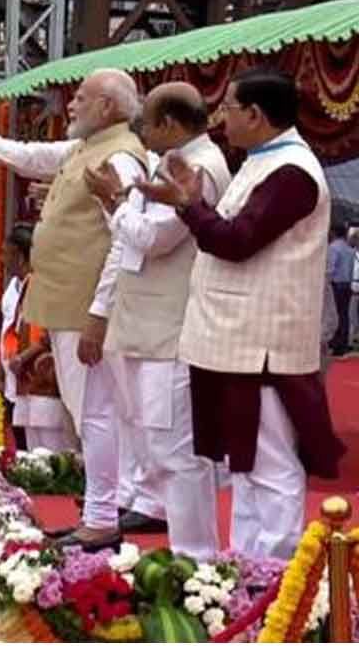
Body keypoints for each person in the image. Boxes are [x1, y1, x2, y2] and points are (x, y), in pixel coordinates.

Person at [0, 68, 148, 551]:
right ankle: (100, 511)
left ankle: (104, 517)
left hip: (86, 307)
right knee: (89, 415)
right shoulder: (85, 150)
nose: (70, 105)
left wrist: (100, 311)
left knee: (97, 415)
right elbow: (21, 156)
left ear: (107, 107)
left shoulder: (121, 158)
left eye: (80, 97)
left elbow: (125, 244)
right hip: (69, 303)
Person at [137, 68, 346, 559]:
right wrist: (193, 204)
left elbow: (236, 241)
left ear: (255, 115)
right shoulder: (262, 161)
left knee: (271, 465)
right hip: (238, 339)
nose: (220, 117)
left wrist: (190, 206)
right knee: (246, 463)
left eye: (228, 107)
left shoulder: (292, 172)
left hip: (263, 342)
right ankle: (250, 565)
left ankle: (276, 575)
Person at [83, 81, 231, 559]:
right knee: (158, 447)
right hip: (148, 326)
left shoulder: (201, 168)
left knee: (176, 453)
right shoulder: (167, 164)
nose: (139, 130)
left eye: (146, 121)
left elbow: (154, 239)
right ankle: (190, 554)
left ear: (169, 124)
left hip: (174, 331)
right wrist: (117, 206)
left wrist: (117, 202)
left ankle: (197, 560)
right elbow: (133, 239)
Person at [2, 223, 79, 452]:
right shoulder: (27, 284)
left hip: (43, 378)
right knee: (32, 450)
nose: (2, 260)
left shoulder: (44, 283)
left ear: (20, 256)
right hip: (26, 380)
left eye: (5, 254)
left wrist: (23, 357)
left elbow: (49, 330)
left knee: (51, 451)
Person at [326, 223, 355, 355]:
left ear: (334, 232)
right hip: (347, 284)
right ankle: (343, 342)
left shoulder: (333, 248)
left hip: (336, 284)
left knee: (334, 314)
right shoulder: (350, 249)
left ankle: (335, 342)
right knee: (344, 315)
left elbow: (330, 268)